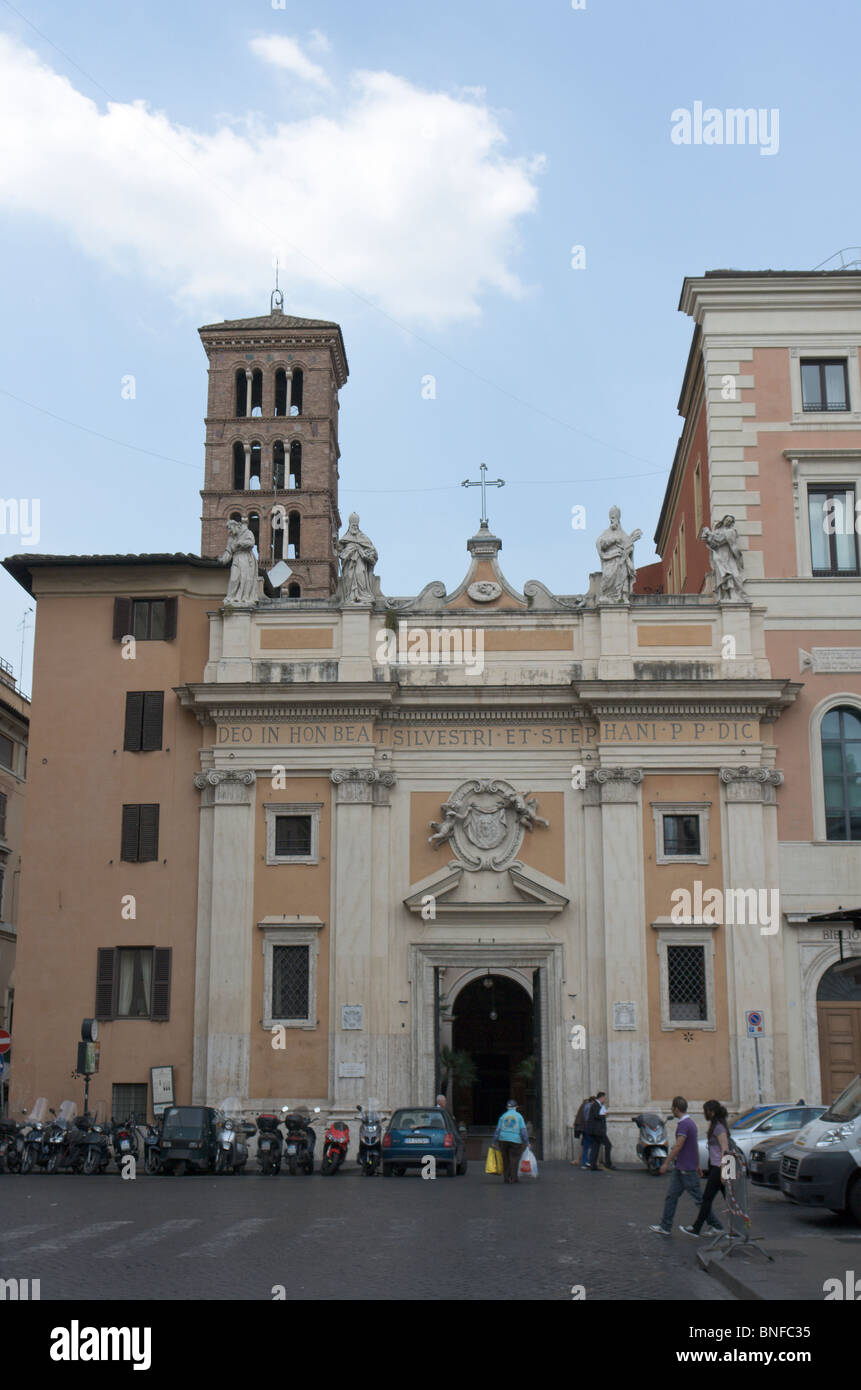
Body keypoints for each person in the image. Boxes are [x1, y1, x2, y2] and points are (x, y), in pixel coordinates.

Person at [649, 1096, 718, 1237]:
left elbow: (679, 1145)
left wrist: (666, 1163)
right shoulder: (690, 1123)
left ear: (676, 1108)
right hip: (682, 1168)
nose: (671, 1110)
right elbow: (694, 1147)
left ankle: (716, 1225)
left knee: (699, 1199)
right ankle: (665, 1226)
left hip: (686, 1169)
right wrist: (698, 1164)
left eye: (672, 1108)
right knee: (671, 1196)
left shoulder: (684, 1125)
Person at [681, 1101, 729, 1237]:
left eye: (705, 1111)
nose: (704, 1113)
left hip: (720, 1168)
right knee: (728, 1200)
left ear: (712, 1112)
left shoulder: (719, 1128)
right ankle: (735, 1229)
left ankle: (696, 1228)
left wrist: (725, 1173)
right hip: (717, 1167)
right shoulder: (715, 1126)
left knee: (707, 1199)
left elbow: (725, 1149)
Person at [493, 1099, 528, 1184]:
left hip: (503, 1140)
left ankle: (506, 1178)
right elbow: (523, 1130)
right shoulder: (519, 1116)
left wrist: (494, 1141)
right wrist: (526, 1142)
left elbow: (498, 1130)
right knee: (514, 1159)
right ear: (516, 1107)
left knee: (505, 1159)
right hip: (515, 1141)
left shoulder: (503, 1116)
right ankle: (514, 1178)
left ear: (507, 1107)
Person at [572, 1095, 594, 1165]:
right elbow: (587, 1118)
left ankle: (582, 1161)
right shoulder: (588, 1106)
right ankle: (586, 1162)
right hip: (586, 1127)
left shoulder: (584, 1105)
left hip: (582, 1128)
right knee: (588, 1145)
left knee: (584, 1144)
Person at [596, 1091, 614, 1170]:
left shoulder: (600, 1105)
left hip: (599, 1130)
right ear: (601, 1097)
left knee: (595, 1147)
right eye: (604, 1098)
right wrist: (603, 1115)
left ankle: (594, 1164)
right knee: (608, 1145)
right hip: (599, 1131)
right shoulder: (596, 1105)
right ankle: (608, 1163)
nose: (605, 1100)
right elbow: (596, 1117)